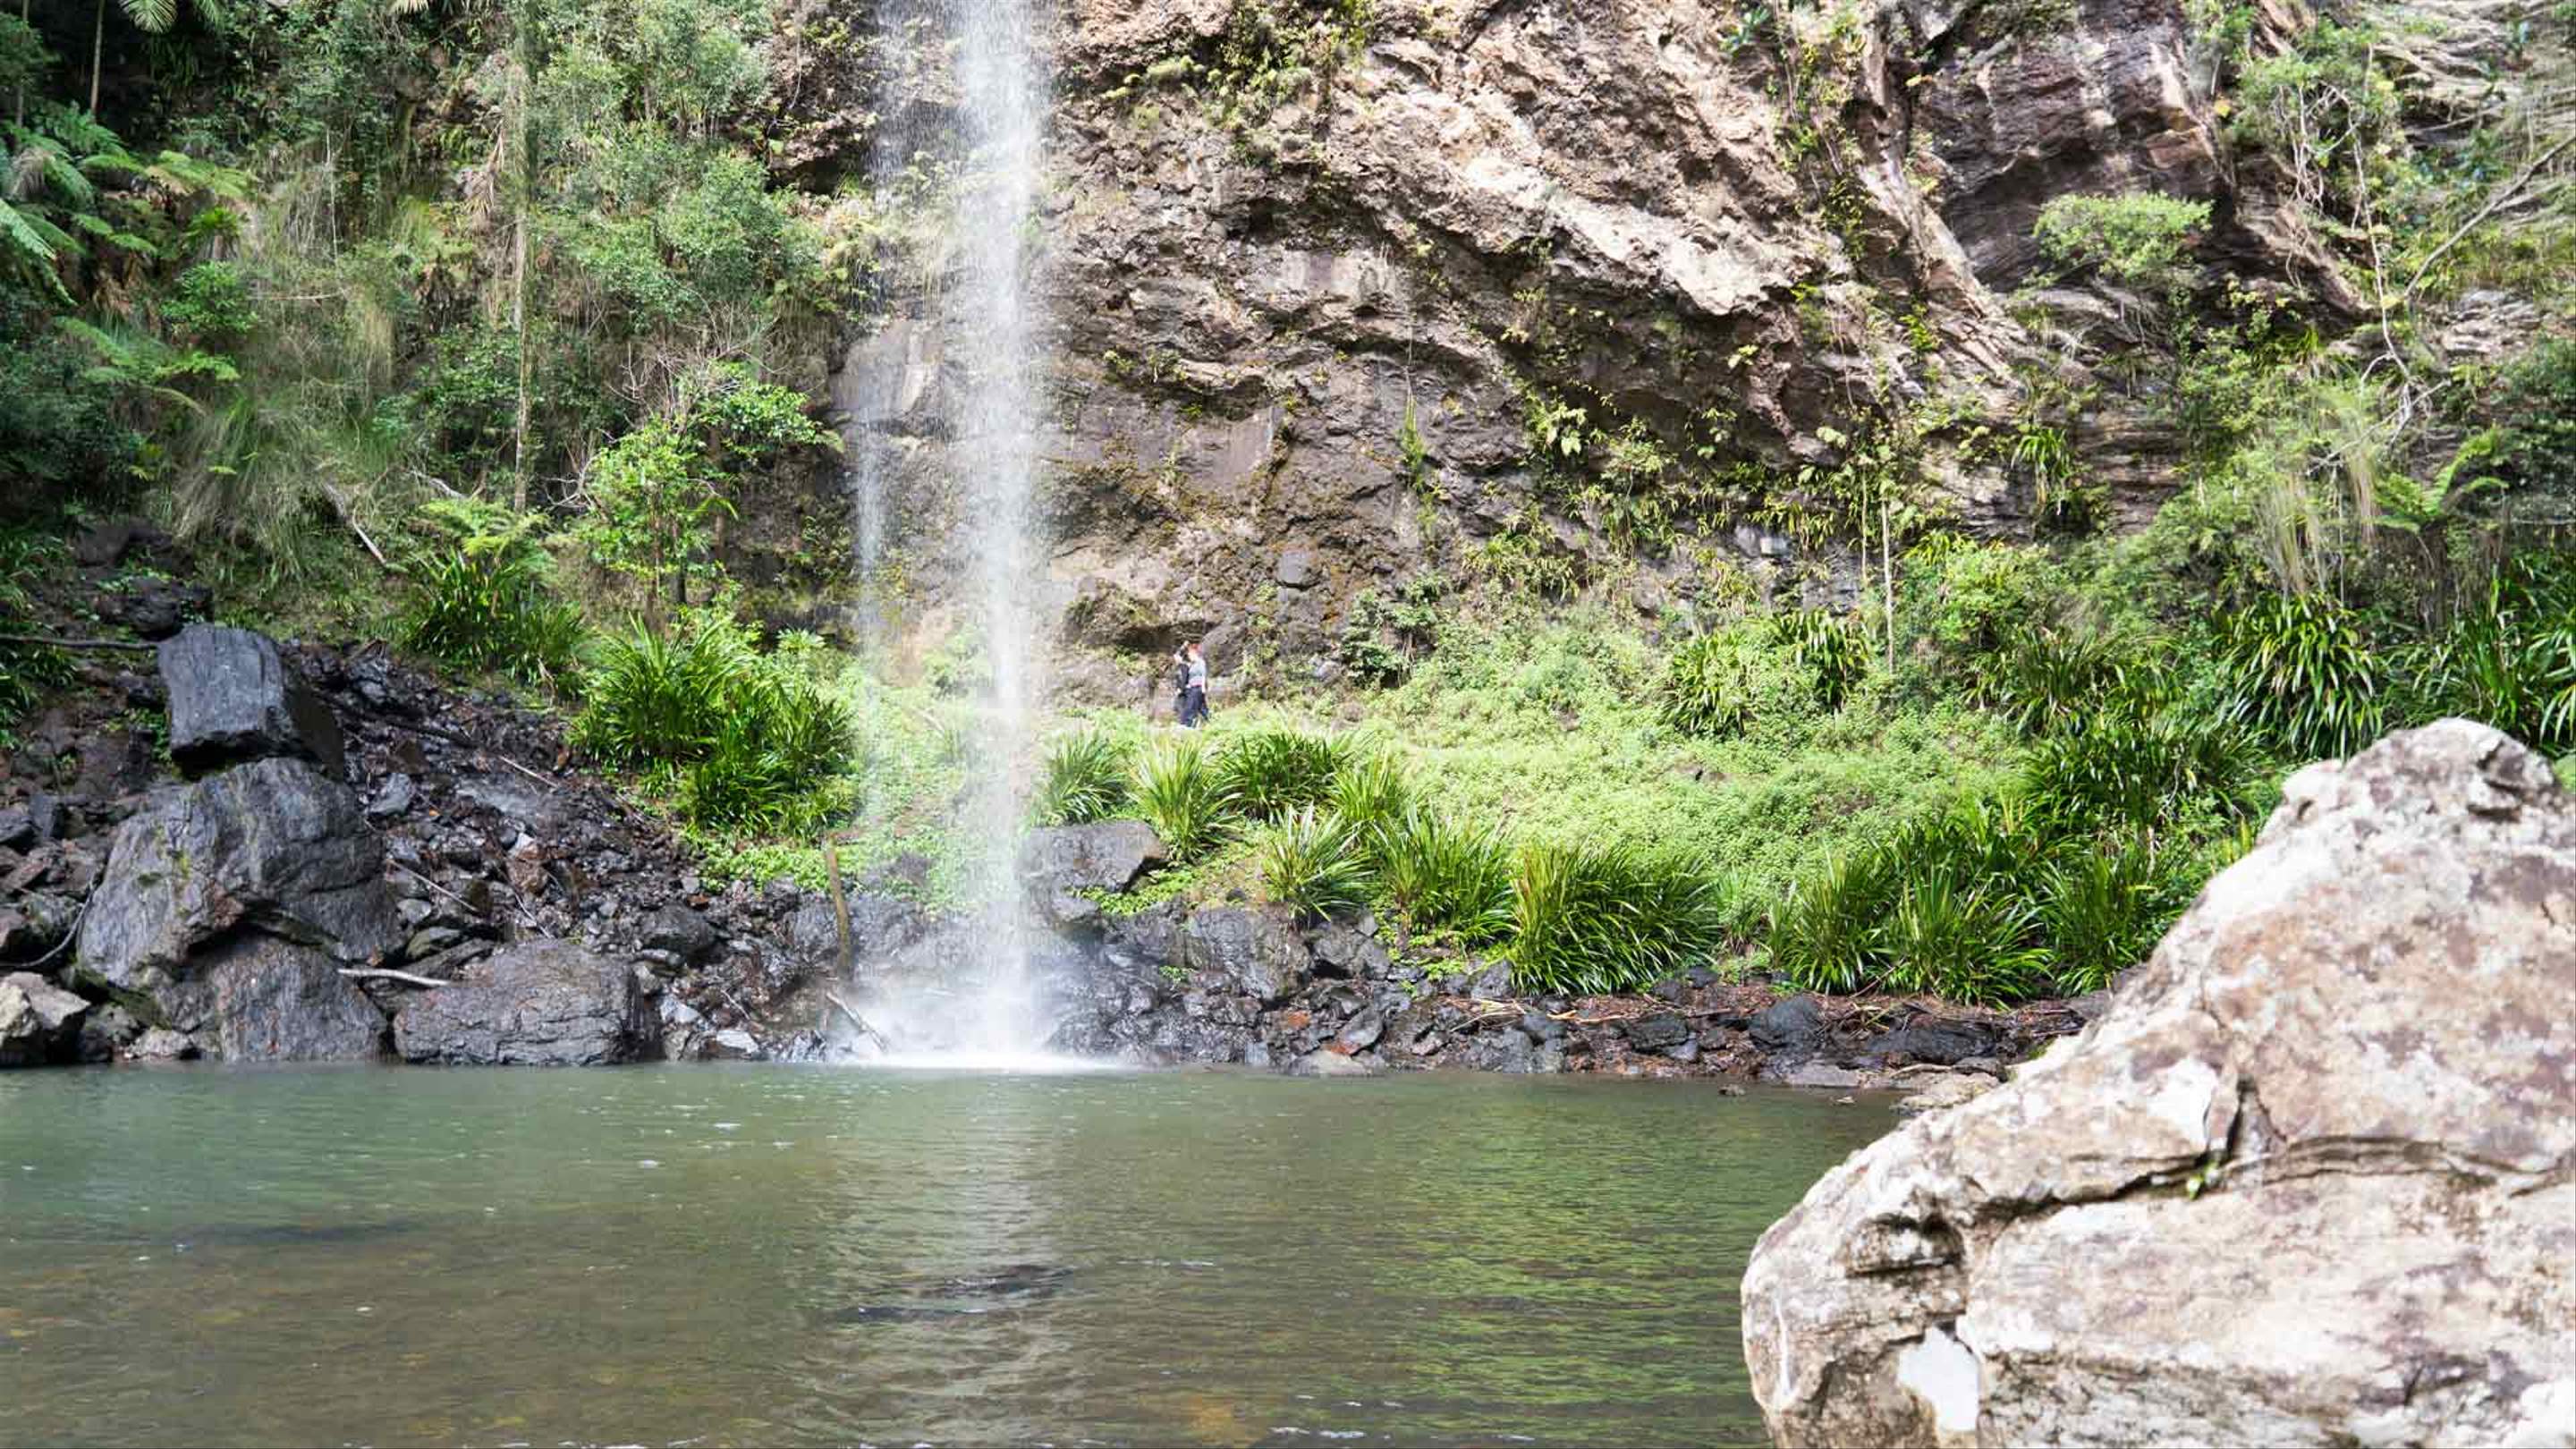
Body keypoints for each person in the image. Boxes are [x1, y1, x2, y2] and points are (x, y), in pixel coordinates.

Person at [1173, 640, 1210, 727]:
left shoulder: (1200, 662)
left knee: (1191, 705)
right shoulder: (1191, 665)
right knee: (1201, 707)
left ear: (1194, 654)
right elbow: (1177, 656)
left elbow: (1203, 674)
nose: (1189, 657)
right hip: (1192, 687)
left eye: (1190, 655)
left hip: (1198, 687)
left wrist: (1203, 687)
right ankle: (1211, 720)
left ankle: (1187, 724)